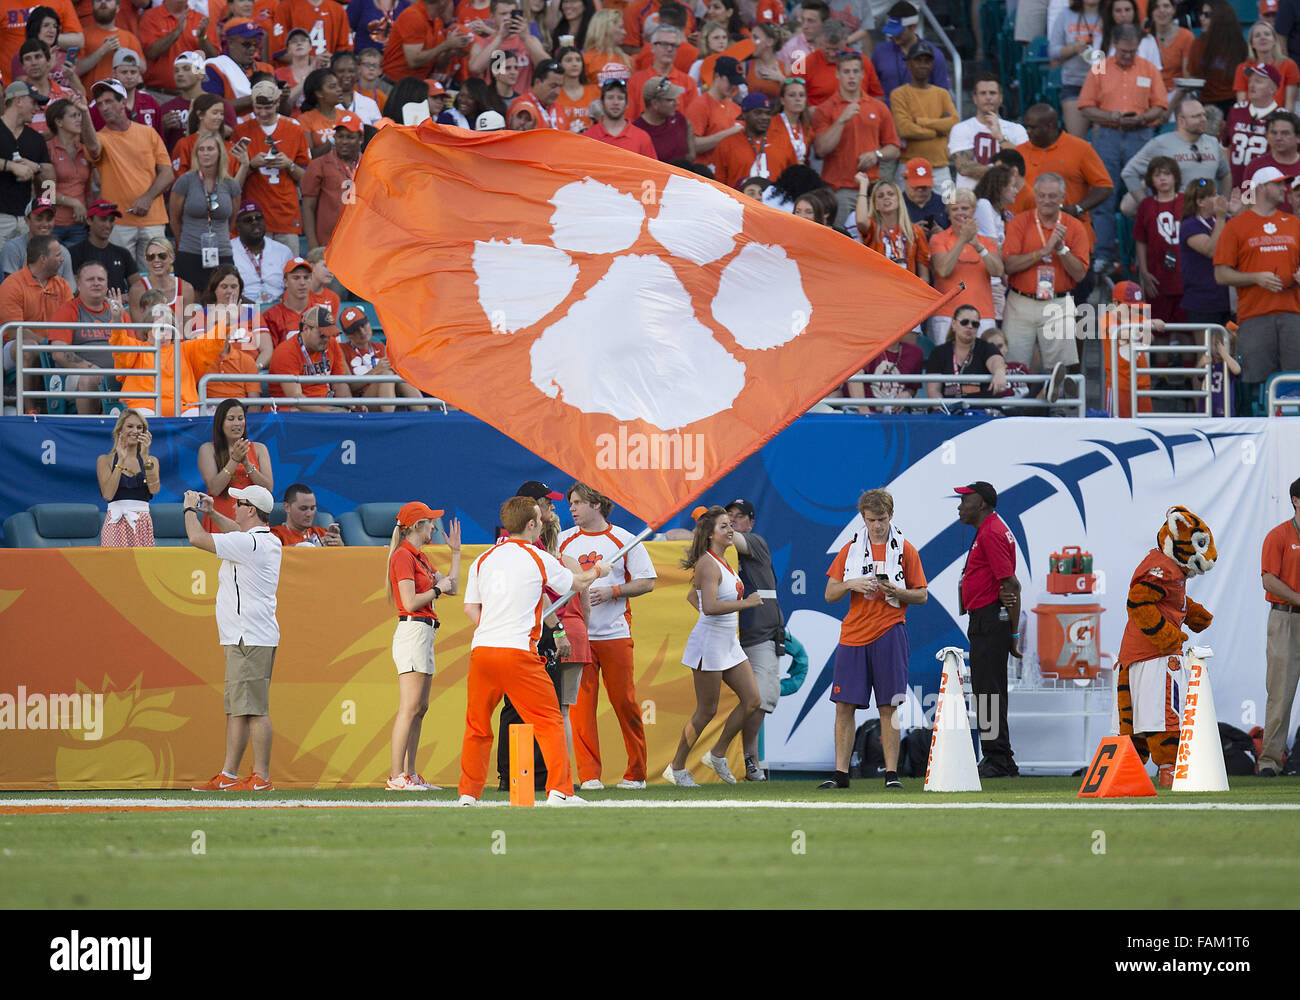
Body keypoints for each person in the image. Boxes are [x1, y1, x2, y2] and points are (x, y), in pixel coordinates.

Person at [458, 494, 609, 806]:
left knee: (477, 725)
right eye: (540, 521)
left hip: (483, 650)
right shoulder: (539, 557)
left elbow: (470, 607)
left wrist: (495, 626)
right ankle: (560, 791)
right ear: (530, 524)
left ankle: (468, 795)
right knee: (549, 720)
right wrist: (599, 571)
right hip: (517, 653)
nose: (543, 525)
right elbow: (577, 583)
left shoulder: (483, 558)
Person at [817, 488, 927, 790]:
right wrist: (852, 582)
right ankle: (841, 775)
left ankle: (891, 775)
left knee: (888, 707)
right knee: (844, 705)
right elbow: (829, 593)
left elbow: (922, 595)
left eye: (881, 519)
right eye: (870, 520)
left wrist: (898, 592)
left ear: (891, 515)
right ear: (863, 519)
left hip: (890, 631)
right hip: (854, 635)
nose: (876, 526)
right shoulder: (850, 549)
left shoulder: (905, 549)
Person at [558, 481, 655, 791]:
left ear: (596, 504)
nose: (571, 508)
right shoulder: (562, 541)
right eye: (570, 503)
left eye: (577, 502)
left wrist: (613, 591)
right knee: (581, 709)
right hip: (580, 636)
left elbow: (648, 582)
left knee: (625, 703)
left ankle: (636, 774)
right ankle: (589, 776)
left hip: (614, 633)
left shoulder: (624, 540)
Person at [187, 483, 283, 793]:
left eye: (238, 503)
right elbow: (234, 534)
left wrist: (189, 509)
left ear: (251, 510)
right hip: (244, 637)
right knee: (239, 709)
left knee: (254, 709)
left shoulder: (252, 544)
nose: (234, 506)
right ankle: (229, 774)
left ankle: (262, 778)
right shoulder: (258, 540)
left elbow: (196, 538)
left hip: (249, 638)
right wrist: (211, 512)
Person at [1116, 505, 1217, 787]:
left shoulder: (1168, 567)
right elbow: (1138, 602)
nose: (1208, 555)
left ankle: (1127, 775)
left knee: (1134, 722)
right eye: (1199, 544)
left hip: (1133, 654)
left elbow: (1169, 601)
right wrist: (1168, 637)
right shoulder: (1164, 569)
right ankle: (1169, 772)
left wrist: (1194, 614)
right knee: (1165, 718)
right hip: (1155, 655)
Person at [665, 506, 764, 787]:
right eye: (723, 526)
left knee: (752, 701)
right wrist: (746, 603)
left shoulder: (722, 561)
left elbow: (692, 597)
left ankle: (717, 753)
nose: (730, 530)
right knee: (706, 711)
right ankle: (677, 767)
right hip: (709, 644)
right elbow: (708, 606)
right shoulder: (708, 564)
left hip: (728, 643)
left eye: (730, 525)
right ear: (710, 535)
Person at [1078, 23, 1169, 273]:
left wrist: (1142, 117)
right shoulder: (1099, 68)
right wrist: (1111, 116)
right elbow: (1085, 106)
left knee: (1144, 195)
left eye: (1132, 51)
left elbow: (1160, 106)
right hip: (1108, 133)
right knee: (1104, 193)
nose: (1128, 56)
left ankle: (1149, 254)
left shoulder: (1149, 68)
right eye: (1124, 51)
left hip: (1141, 134)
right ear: (1114, 45)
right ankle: (1103, 254)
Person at [384, 500, 460, 790]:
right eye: (430, 522)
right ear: (418, 525)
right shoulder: (403, 556)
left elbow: (452, 587)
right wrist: (437, 589)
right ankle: (396, 775)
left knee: (420, 706)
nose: (433, 527)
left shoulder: (420, 557)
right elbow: (410, 602)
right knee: (409, 706)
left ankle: (410, 773)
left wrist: (455, 553)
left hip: (424, 632)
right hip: (413, 631)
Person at [1213, 166, 1300, 410]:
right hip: (1254, 315)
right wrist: (1255, 278)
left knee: (1295, 382)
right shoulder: (1236, 226)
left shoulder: (1294, 223)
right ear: (1261, 187)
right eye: (1279, 184)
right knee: (1255, 384)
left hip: (1293, 313)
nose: (1285, 188)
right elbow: (1220, 274)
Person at [955, 481, 1021, 778]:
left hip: (990, 620)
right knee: (988, 691)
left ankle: (998, 759)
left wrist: (1014, 635)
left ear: (980, 503)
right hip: (989, 619)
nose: (959, 506)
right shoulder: (990, 529)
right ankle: (999, 756)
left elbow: (1012, 585)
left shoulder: (992, 533)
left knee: (987, 692)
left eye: (964, 500)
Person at [1002, 172, 1090, 374]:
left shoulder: (1075, 226)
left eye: (1052, 196)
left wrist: (1061, 249)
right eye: (1041, 195)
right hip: (1020, 301)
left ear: (1062, 198)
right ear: (1035, 195)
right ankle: (1016, 405)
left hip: (1058, 302)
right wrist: (1041, 253)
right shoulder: (1020, 222)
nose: (1046, 201)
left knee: (1059, 368)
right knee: (1014, 364)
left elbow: (1080, 275)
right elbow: (1008, 265)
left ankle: (1057, 405)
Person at [85, 78, 174, 273]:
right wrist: (85, 113)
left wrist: (147, 198)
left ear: (123, 103)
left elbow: (167, 173)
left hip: (153, 220)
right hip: (118, 223)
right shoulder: (100, 137)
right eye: (100, 104)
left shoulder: (148, 133)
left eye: (109, 102)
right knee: (120, 280)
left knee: (157, 278)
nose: (104, 107)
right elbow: (92, 149)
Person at [1010, 104, 1112, 271]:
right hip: (1029, 239)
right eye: (1026, 126)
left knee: (1075, 294)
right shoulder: (1018, 153)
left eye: (1033, 127)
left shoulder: (1080, 149)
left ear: (1051, 126)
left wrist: (1078, 208)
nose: (1028, 131)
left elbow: (1105, 187)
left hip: (1072, 236)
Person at [725, 497, 784, 782]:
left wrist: (711, 524)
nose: (733, 521)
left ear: (751, 522)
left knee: (757, 699)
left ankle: (750, 759)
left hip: (758, 637)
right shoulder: (713, 553)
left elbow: (733, 539)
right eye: (728, 516)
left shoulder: (756, 543)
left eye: (739, 516)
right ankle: (717, 756)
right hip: (725, 639)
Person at [812, 52, 901, 227]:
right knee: (839, 239)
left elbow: (894, 148)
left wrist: (876, 155)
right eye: (846, 71)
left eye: (855, 71)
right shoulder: (825, 109)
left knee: (874, 242)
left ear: (862, 74)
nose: (851, 76)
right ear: (837, 74)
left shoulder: (879, 107)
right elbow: (821, 149)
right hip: (840, 190)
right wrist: (841, 120)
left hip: (872, 189)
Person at [233, 79, 311, 254]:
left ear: (277, 103)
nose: (262, 113)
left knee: (289, 270)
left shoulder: (294, 129)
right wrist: (251, 165)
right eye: (258, 108)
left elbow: (307, 178)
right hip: (254, 214)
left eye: (268, 107)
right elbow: (232, 179)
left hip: (286, 214)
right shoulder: (241, 130)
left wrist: (289, 165)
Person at [1119, 97, 1230, 216]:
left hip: (1206, 215)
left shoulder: (1212, 142)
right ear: (1181, 121)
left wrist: (1223, 203)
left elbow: (1225, 174)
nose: (1203, 120)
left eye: (1204, 115)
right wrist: (1148, 206)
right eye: (1196, 116)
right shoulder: (1161, 144)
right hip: (1176, 216)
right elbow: (1129, 173)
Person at [0, 234, 73, 411]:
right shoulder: (13, 284)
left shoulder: (63, 285)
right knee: (29, 346)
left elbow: (71, 322)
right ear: (43, 258)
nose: (62, 259)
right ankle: (29, 408)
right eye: (57, 255)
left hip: (53, 346)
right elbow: (13, 331)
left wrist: (54, 345)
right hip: (12, 349)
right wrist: (47, 345)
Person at [168, 132, 248, 291]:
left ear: (219, 152)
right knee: (190, 308)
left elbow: (231, 219)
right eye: (201, 149)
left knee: (222, 303)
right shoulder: (185, 180)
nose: (205, 153)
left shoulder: (230, 184)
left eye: (210, 149)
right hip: (190, 251)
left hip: (222, 252)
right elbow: (174, 219)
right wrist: (184, 242)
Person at [1259, 476, 1300, 777]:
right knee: (1280, 693)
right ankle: (1270, 761)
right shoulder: (1279, 536)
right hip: (1285, 619)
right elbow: (1269, 580)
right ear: (1296, 500)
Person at [46, 259, 125, 415]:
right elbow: (59, 353)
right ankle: (89, 430)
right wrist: (93, 370)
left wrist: (118, 320)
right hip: (77, 375)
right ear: (78, 283)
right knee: (89, 379)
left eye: (100, 279)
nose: (96, 283)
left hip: (118, 374)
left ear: (107, 283)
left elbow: (134, 348)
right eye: (90, 279)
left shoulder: (118, 311)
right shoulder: (68, 311)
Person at [929, 189, 1004, 340]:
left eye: (965, 208)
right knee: (948, 363)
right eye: (954, 209)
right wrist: (963, 239)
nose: (959, 213)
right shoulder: (939, 239)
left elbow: (998, 271)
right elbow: (943, 270)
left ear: (974, 211)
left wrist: (978, 246)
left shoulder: (987, 242)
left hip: (983, 314)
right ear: (948, 214)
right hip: (947, 315)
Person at [888, 43, 957, 191]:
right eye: (918, 60)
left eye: (927, 61)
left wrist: (920, 121)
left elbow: (953, 123)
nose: (923, 65)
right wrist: (937, 131)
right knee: (906, 211)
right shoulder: (898, 94)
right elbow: (904, 129)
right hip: (908, 165)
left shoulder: (942, 94)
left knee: (950, 206)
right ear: (908, 63)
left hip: (940, 167)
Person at [199, 398, 275, 531]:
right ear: (220, 423)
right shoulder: (208, 449)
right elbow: (215, 489)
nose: (237, 423)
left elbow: (268, 488)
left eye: (240, 418)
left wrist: (246, 463)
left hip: (252, 522)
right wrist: (234, 460)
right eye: (231, 418)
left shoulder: (259, 449)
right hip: (221, 519)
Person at [337, 304, 427, 410]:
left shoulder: (380, 346)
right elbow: (350, 386)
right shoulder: (341, 350)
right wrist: (376, 371)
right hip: (362, 400)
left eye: (363, 325)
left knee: (399, 376)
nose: (362, 331)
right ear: (347, 335)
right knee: (387, 374)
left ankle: (425, 413)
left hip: (389, 391)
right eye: (355, 330)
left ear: (369, 323)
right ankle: (388, 420)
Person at [950, 74, 1029, 193]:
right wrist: (1001, 172)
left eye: (992, 93)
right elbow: (964, 167)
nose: (988, 97)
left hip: (1007, 201)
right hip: (971, 200)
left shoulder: (1017, 129)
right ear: (975, 98)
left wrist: (1000, 137)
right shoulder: (961, 128)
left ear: (1001, 98)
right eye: (983, 93)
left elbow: (1025, 162)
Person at [268, 303, 352, 411]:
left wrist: (352, 404)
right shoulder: (286, 351)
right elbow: (295, 398)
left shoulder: (332, 344)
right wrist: (328, 415)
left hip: (326, 405)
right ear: (306, 329)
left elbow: (339, 383)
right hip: (290, 410)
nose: (326, 339)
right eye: (322, 335)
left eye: (330, 334)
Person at [0, 81, 55, 245]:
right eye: (33, 102)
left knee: (23, 269)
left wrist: (46, 213)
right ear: (18, 101)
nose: (37, 108)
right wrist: (10, 166)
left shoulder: (36, 139)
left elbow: (50, 181)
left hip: (25, 219)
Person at [96, 409, 160, 547]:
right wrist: (121, 460)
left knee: (143, 567)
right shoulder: (105, 460)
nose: (135, 431)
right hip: (116, 522)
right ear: (120, 430)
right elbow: (108, 494)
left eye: (139, 427)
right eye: (130, 426)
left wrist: (144, 457)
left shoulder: (151, 460)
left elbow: (154, 489)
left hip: (142, 522)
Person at [1133, 156, 1185, 324]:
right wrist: (1144, 273)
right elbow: (1141, 240)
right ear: (1150, 180)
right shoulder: (1146, 205)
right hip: (1157, 277)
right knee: (1158, 329)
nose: (1162, 178)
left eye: (1167, 174)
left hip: (1184, 276)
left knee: (1187, 330)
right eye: (1157, 175)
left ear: (1175, 177)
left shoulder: (1186, 201)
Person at [711, 93, 797, 189]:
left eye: (768, 113)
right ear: (744, 114)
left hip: (774, 203)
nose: (764, 117)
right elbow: (719, 184)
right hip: (739, 202)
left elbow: (794, 178)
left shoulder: (783, 141)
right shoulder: (727, 144)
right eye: (758, 112)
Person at [925, 304, 1010, 401]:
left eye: (975, 324)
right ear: (953, 324)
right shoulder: (939, 352)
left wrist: (999, 372)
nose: (970, 326)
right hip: (948, 412)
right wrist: (944, 411)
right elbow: (934, 391)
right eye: (964, 322)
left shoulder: (986, 347)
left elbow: (996, 360)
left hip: (982, 411)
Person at [872, 1, 951, 104]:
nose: (893, 35)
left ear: (913, 26)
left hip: (922, 116)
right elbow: (870, 88)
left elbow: (943, 95)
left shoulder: (934, 55)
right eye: (891, 30)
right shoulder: (880, 52)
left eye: (899, 31)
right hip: (887, 116)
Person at [301, 116, 361, 250]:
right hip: (329, 243)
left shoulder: (369, 165)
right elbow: (308, 207)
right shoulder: (319, 165)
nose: (344, 141)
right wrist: (313, 246)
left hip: (362, 241)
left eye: (350, 137)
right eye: (339, 137)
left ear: (360, 139)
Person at [1178, 178, 1231, 329]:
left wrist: (1239, 210)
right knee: (1207, 351)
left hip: (1227, 299)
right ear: (1200, 202)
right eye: (1214, 195)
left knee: (1230, 351)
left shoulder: (1225, 219)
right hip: (1203, 301)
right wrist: (1221, 218)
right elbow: (1212, 251)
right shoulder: (1190, 225)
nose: (1219, 198)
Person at [855, 176, 930, 280]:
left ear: (899, 200)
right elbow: (861, 221)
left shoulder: (915, 231)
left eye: (891, 194)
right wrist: (863, 185)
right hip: (880, 291)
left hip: (906, 291)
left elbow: (924, 276)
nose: (886, 197)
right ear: (876, 205)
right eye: (880, 196)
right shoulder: (873, 228)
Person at [1224, 63, 1283, 192]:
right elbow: (1225, 146)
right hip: (1237, 188)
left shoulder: (1283, 117)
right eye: (1250, 81)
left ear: (1272, 88)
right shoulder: (1236, 110)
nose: (1251, 85)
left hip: (1264, 190)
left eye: (1258, 82)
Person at [139, 0, 220, 92]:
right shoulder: (150, 17)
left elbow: (214, 59)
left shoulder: (201, 19)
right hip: (159, 94)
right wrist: (177, 32)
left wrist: (202, 38)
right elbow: (151, 53)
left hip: (196, 94)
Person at [43, 98, 92, 247]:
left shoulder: (83, 150)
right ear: (59, 122)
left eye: (79, 115)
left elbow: (88, 189)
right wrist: (74, 202)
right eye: (73, 116)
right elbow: (46, 193)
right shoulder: (47, 149)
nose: (79, 120)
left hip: (79, 225)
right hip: (53, 224)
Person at [1188, 0, 1248, 116]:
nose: (1202, 18)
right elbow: (1193, 75)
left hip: (1232, 102)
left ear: (1221, 16)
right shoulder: (1198, 44)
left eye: (1207, 15)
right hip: (1205, 103)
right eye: (1201, 14)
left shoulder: (1239, 45)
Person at [626, 25, 698, 121]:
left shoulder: (688, 83)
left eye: (673, 45)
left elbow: (692, 122)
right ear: (652, 47)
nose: (669, 49)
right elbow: (628, 119)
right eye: (664, 44)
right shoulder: (635, 81)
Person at [683, 53, 742, 167]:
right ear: (717, 76)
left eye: (737, 83)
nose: (734, 86)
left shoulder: (737, 109)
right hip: (705, 173)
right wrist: (728, 134)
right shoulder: (700, 105)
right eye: (731, 82)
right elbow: (692, 145)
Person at [231, 200, 294, 305]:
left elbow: (294, 284)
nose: (255, 223)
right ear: (238, 226)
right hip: (242, 309)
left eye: (259, 218)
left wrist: (276, 307)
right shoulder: (228, 251)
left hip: (279, 307)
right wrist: (253, 309)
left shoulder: (283, 251)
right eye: (248, 220)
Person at [0, 196, 75, 285]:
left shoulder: (63, 252)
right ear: (27, 220)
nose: (45, 224)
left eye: (49, 219)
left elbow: (70, 291)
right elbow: (10, 288)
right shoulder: (13, 248)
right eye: (39, 218)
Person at [69, 200, 138, 295]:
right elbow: (74, 290)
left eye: (111, 220)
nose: (108, 225)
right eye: (103, 219)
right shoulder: (75, 252)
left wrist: (129, 297)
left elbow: (138, 287)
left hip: (119, 306)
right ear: (89, 220)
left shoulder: (123, 253)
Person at [128, 236, 195, 329]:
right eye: (150, 257)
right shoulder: (137, 290)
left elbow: (187, 330)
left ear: (171, 258)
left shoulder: (186, 288)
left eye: (162, 256)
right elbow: (140, 333)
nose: (156, 260)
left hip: (178, 343)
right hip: (150, 343)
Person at [77, 0, 146, 91]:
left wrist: (121, 51)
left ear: (117, 8)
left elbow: (143, 68)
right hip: (89, 100)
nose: (103, 2)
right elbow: (76, 69)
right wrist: (102, 51)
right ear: (92, 7)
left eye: (108, 0)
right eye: (98, 0)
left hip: (122, 100)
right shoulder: (82, 36)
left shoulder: (130, 38)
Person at [583, 78, 656, 156]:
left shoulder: (642, 138)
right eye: (610, 97)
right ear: (602, 102)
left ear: (627, 103)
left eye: (620, 98)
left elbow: (652, 168)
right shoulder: (588, 137)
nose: (615, 102)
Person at [1234, 20, 1299, 109]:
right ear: (1252, 44)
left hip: (1279, 118)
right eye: (1257, 35)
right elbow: (1241, 104)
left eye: (1267, 34)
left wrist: (1283, 122)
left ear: (1274, 41)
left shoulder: (1289, 65)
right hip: (1251, 118)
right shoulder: (1243, 68)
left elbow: (1290, 104)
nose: (1262, 38)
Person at [633, 75, 696, 162]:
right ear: (655, 103)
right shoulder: (636, 132)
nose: (677, 103)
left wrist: (691, 153)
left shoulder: (678, 118)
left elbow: (689, 126)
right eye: (670, 100)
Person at [271, 483, 344, 547]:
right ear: (287, 507)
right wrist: (314, 545)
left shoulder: (323, 533)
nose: (309, 514)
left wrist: (341, 549)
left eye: (312, 508)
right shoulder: (275, 535)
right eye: (303, 508)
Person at [1243, 110, 1300, 190]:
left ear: (1298, 137)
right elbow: (1246, 201)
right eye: (1273, 133)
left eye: (1285, 133)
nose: (1278, 138)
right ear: (1266, 135)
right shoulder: (1254, 166)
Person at [1149, 0, 1194, 91]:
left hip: (1178, 92)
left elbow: (1187, 79)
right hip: (1150, 92)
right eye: (1156, 7)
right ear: (1151, 12)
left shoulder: (1186, 37)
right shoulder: (1144, 38)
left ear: (1174, 9)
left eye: (1166, 6)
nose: (1161, 10)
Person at [899, 157, 949, 237]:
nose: (920, 190)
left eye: (924, 186)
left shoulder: (945, 204)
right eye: (915, 186)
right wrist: (911, 233)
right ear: (905, 180)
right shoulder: (896, 205)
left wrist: (943, 236)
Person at [583, 8, 633, 84]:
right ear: (607, 29)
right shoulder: (585, 60)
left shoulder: (628, 60)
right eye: (621, 27)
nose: (625, 32)